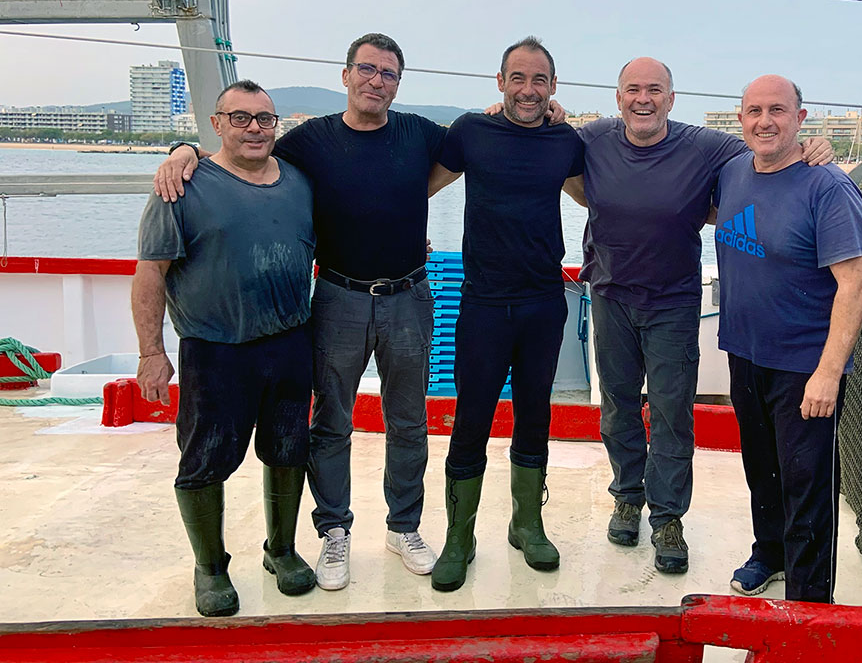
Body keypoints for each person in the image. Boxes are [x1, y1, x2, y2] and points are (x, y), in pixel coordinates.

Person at [153, 33, 445, 590]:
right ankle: (334, 529)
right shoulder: (309, 139)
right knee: (330, 421)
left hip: (409, 297)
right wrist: (182, 150)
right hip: (337, 298)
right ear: (346, 75)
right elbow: (239, 152)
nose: (376, 80)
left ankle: (403, 526)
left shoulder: (417, 132)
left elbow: (471, 147)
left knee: (408, 420)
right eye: (367, 69)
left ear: (398, 83)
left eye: (388, 73)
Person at [573, 58, 833, 575]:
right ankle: (628, 497)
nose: (642, 99)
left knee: (672, 415)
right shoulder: (594, 138)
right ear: (618, 97)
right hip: (609, 295)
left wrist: (814, 147)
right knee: (618, 408)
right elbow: (545, 139)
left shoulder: (705, 145)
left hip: (672, 303)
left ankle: (668, 517)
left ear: (672, 99)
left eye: (655, 90)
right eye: (632, 90)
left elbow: (768, 153)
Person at [133, 80, 318, 616]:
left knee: (288, 452)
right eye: (240, 118)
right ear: (216, 124)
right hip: (215, 351)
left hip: (288, 343)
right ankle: (210, 566)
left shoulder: (299, 183)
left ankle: (280, 550)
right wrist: (151, 351)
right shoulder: (181, 186)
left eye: (264, 118)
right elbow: (150, 274)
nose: (254, 128)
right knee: (205, 460)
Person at [426, 37, 584, 592]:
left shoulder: (567, 141)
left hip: (544, 301)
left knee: (536, 413)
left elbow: (593, 198)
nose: (528, 89)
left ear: (553, 87)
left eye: (539, 80)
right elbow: (420, 186)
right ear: (500, 82)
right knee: (471, 418)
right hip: (484, 302)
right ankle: (459, 536)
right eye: (518, 78)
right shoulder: (471, 132)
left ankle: (527, 523)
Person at [714, 74, 862, 602]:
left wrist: (828, 373)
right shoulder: (733, 171)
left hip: (804, 366)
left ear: (801, 119)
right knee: (761, 468)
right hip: (744, 352)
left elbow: (855, 283)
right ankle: (770, 553)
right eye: (754, 110)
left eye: (778, 110)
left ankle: (809, 600)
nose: (765, 121)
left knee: (808, 485)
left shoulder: (826, 186)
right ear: (740, 119)